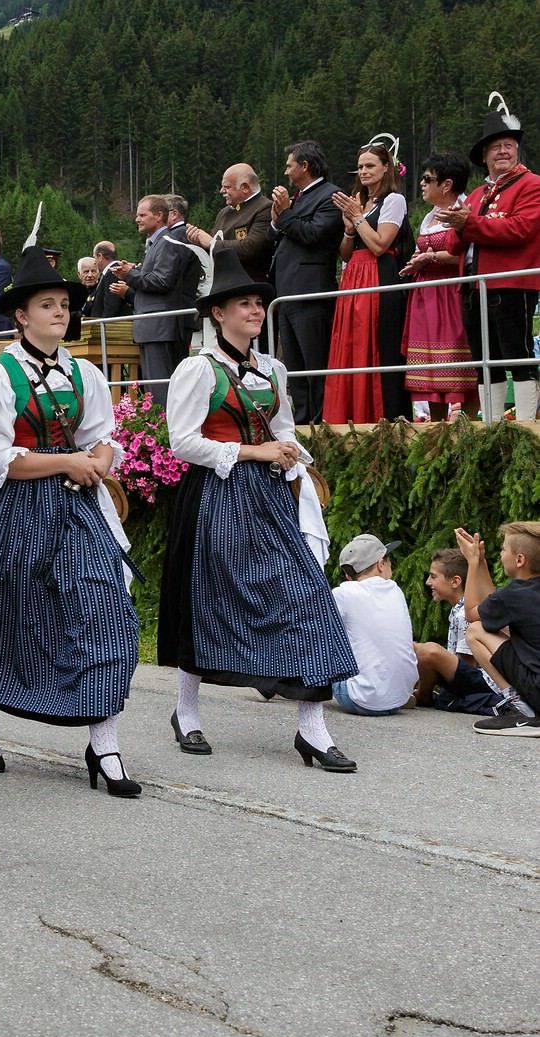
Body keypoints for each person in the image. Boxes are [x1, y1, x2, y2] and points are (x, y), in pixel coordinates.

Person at [0, 245, 141, 797]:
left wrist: (97, 460)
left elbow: (102, 436)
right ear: (21, 316)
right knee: (0, 608)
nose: (60, 313)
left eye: (64, 305)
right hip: (15, 505)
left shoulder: (84, 372)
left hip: (79, 506)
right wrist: (68, 462)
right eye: (47, 305)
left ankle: (105, 744)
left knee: (105, 610)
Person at [158, 247, 360, 771]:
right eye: (243, 303)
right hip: (215, 497)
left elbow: (284, 427)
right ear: (217, 313)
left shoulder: (272, 369)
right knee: (205, 602)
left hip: (269, 496)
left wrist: (290, 453)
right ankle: (186, 711)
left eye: (258, 303)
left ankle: (312, 730)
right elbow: (182, 442)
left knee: (307, 596)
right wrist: (253, 452)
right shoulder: (198, 369)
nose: (254, 310)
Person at [441, 94, 540, 422]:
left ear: (517, 150)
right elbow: (453, 245)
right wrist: (460, 226)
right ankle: (492, 425)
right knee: (485, 361)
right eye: (495, 147)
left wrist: (467, 224)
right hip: (473, 288)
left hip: (511, 285)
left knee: (518, 356)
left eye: (509, 145)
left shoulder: (532, 185)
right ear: (484, 157)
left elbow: (519, 229)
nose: (503, 151)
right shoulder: (476, 194)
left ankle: (525, 425)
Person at [324, 138, 414, 424]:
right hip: (355, 276)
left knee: (378, 344)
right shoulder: (361, 202)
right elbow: (346, 253)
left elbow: (379, 245)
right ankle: (351, 412)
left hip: (378, 275)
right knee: (351, 344)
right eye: (360, 166)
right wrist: (349, 229)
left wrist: (357, 218)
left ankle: (384, 413)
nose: (363, 171)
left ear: (386, 168)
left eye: (370, 166)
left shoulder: (393, 200)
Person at [269, 140, 346, 423]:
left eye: (289, 165)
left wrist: (286, 214)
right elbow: (277, 235)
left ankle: (321, 420)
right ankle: (301, 420)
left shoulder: (330, 196)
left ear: (304, 166)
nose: (286, 172)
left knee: (315, 360)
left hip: (311, 291)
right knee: (294, 364)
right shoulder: (297, 198)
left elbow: (314, 234)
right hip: (286, 292)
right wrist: (277, 218)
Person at [400, 154, 477, 420]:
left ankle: (468, 425)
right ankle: (436, 427)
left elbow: (467, 255)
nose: (422, 184)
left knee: (459, 361)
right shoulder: (429, 217)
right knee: (430, 365)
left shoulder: (464, 210)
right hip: (426, 294)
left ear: (446, 185)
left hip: (452, 292)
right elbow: (424, 250)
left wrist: (431, 258)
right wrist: (417, 261)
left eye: (427, 179)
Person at [111, 195, 200, 408]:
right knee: (155, 388)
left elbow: (162, 281)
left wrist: (130, 275)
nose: (137, 219)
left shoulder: (168, 243)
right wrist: (134, 272)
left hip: (160, 326)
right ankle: (160, 425)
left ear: (159, 216)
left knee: (162, 390)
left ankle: (166, 426)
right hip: (152, 326)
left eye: (142, 215)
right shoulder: (155, 244)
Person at [456, 522, 540, 733]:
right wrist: (481, 563)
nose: (501, 555)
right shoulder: (523, 594)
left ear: (519, 560)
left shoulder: (515, 594)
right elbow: (492, 606)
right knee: (500, 629)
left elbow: (471, 613)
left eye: (504, 550)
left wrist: (472, 563)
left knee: (475, 631)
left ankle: (523, 710)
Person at [330, 534, 417, 715]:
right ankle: (388, 694)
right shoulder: (396, 590)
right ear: (380, 564)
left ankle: (288, 686)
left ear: (348, 575)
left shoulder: (343, 593)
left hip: (359, 700)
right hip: (399, 698)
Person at [413, 548, 502, 715]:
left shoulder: (464, 614)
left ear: (455, 581)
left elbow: (468, 665)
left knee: (427, 651)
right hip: (470, 677)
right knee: (424, 653)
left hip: (484, 683)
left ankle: (423, 697)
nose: (428, 582)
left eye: (433, 577)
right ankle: (421, 692)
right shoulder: (458, 609)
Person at [188, 164, 274, 283]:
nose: (221, 191)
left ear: (245, 188)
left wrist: (211, 243)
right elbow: (216, 250)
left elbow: (251, 248)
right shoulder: (224, 212)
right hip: (223, 284)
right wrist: (200, 245)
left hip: (249, 285)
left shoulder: (265, 208)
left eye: (227, 187)